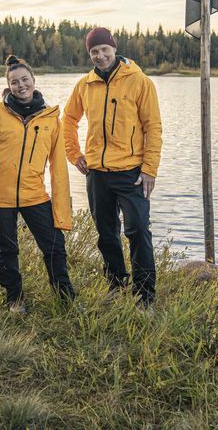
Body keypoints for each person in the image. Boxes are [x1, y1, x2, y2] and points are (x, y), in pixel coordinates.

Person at [63, 27, 162, 309]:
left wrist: (149, 169)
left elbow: (153, 127)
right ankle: (116, 286)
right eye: (94, 51)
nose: (100, 56)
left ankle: (145, 296)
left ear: (113, 48)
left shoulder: (139, 81)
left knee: (138, 231)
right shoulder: (85, 84)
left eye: (104, 49)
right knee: (107, 234)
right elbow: (68, 120)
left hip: (132, 173)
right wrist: (75, 154)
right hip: (96, 173)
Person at [0, 55, 76, 312]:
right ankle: (14, 300)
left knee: (55, 246)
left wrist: (62, 211)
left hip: (35, 195)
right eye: (15, 82)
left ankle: (66, 300)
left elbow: (58, 168)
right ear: (9, 85)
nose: (21, 85)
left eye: (25, 79)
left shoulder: (51, 118)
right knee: (7, 249)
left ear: (34, 80)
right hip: (0, 197)